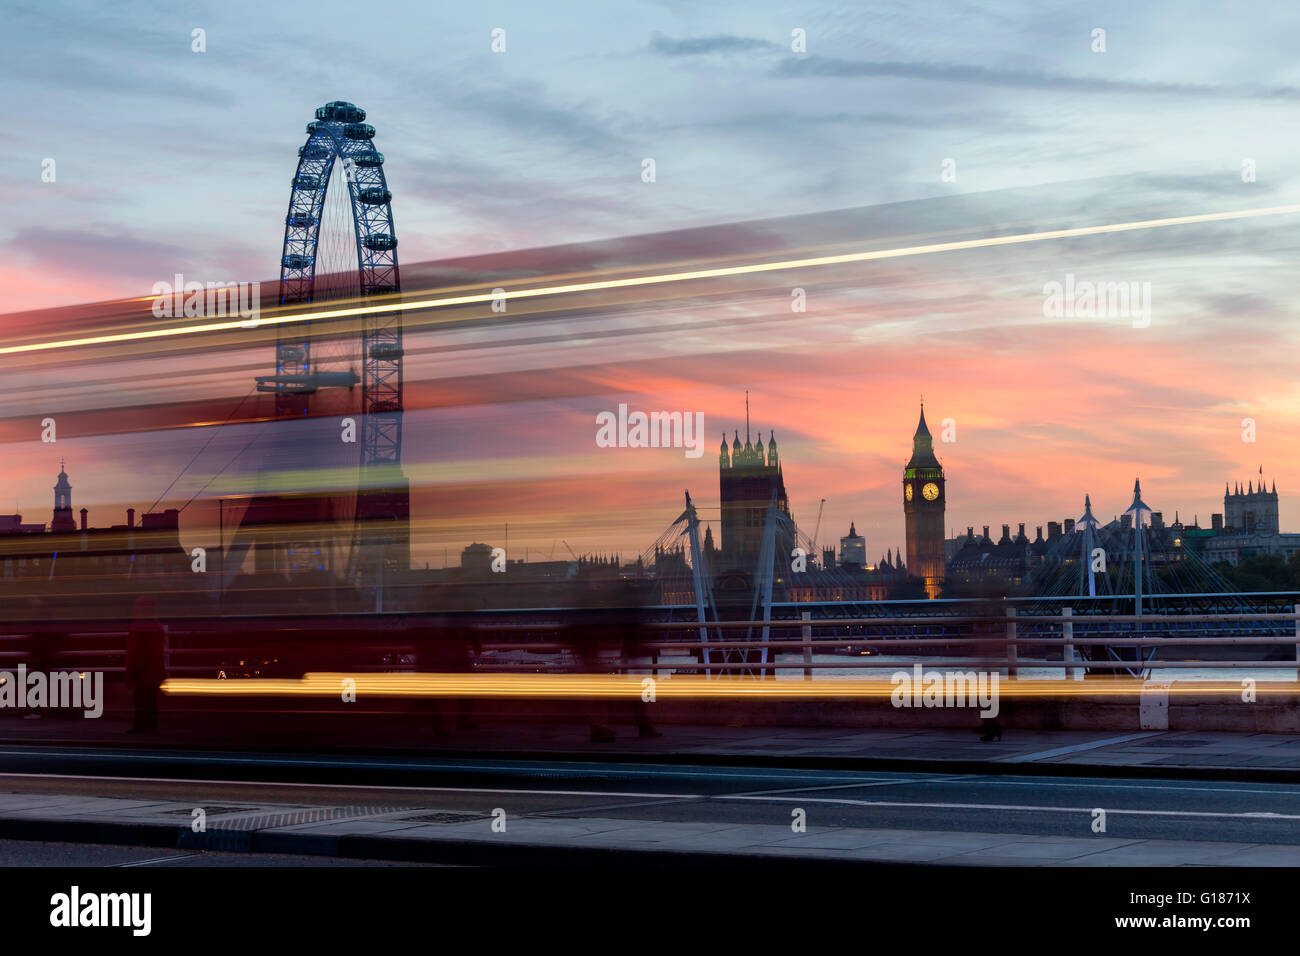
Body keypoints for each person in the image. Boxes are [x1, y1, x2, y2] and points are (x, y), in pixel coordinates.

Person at [125, 595, 166, 733]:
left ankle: (142, 727)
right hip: (151, 670)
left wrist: (133, 669)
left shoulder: (140, 626)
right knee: (149, 699)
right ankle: (148, 726)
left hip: (142, 670)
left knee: (141, 699)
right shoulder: (155, 625)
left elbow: (136, 650)